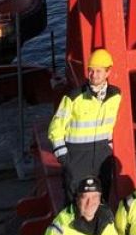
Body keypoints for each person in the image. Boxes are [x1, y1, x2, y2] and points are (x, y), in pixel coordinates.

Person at [48, 47, 122, 198]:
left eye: (98, 71)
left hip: (102, 155)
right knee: (74, 199)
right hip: (76, 157)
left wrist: (109, 147)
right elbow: (55, 128)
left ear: (108, 72)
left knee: (102, 197)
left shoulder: (116, 96)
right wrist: (64, 157)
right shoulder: (73, 97)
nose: (93, 75)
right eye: (91, 70)